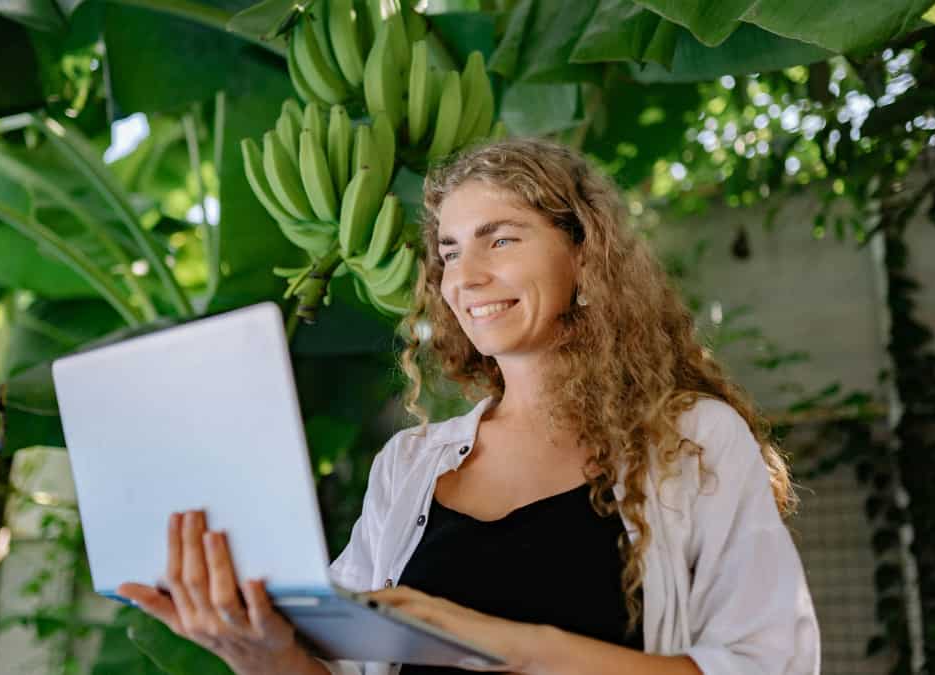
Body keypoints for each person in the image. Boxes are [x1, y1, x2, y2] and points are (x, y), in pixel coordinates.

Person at [116, 137, 821, 675]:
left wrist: (494, 638)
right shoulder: (410, 465)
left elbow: (765, 664)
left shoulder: (690, 441)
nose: (466, 276)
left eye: (502, 239)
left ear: (585, 257)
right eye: (449, 251)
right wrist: (259, 652)